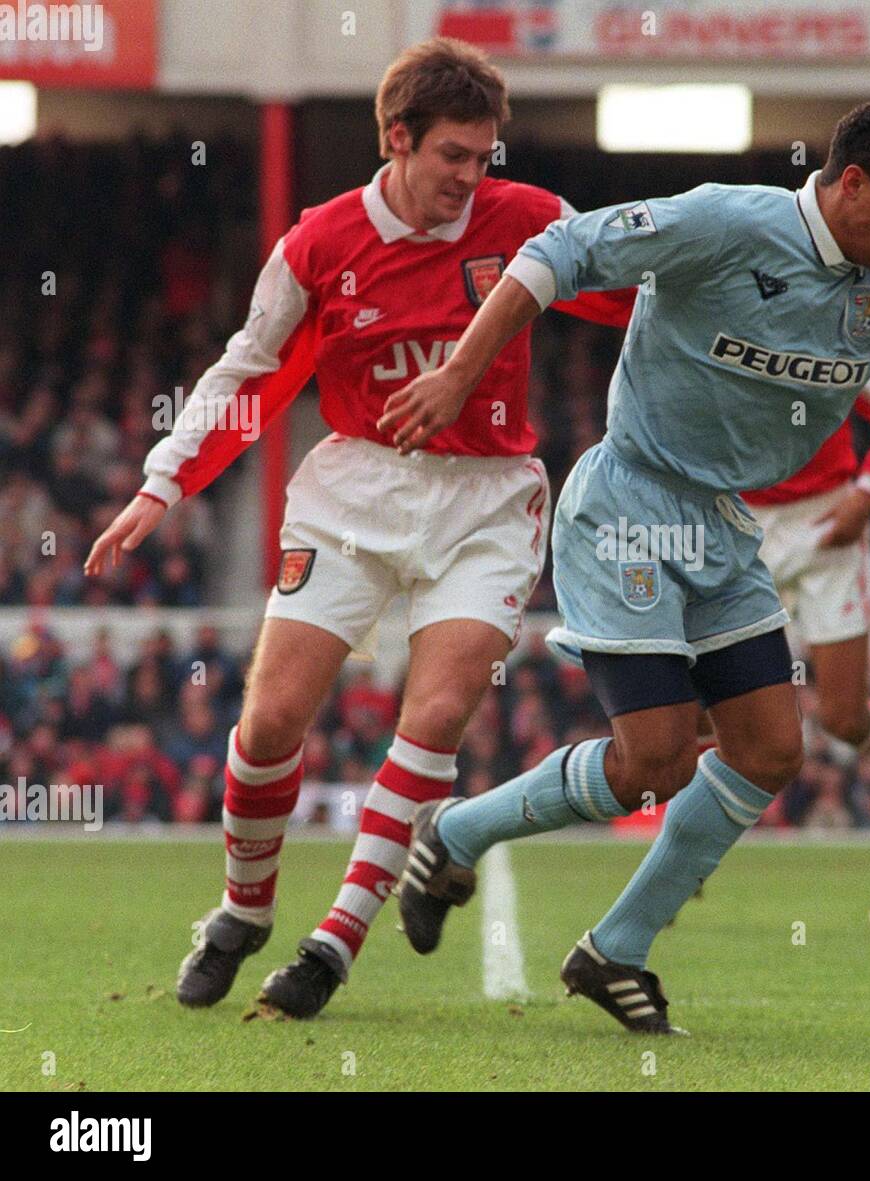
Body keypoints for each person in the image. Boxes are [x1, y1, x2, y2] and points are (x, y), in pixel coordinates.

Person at [389, 102, 870, 1034]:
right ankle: (456, 831)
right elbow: (554, 253)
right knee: (656, 762)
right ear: (851, 184)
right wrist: (458, 374)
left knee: (771, 748)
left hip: (724, 523)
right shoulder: (726, 222)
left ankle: (617, 947)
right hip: (632, 505)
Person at [84, 37, 629, 1018]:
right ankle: (242, 910)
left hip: (490, 498)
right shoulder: (320, 245)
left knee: (437, 712)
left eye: (484, 156)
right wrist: (161, 485)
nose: (472, 176)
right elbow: (247, 370)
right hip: (350, 498)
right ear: (397, 139)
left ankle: (331, 944)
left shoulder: (531, 220)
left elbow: (636, 283)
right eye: (453, 154)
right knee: (269, 724)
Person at [739, 352, 870, 786]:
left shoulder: (839, 327)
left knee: (844, 718)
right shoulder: (708, 309)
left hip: (827, 522)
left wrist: (868, 495)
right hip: (736, 523)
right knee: (705, 709)